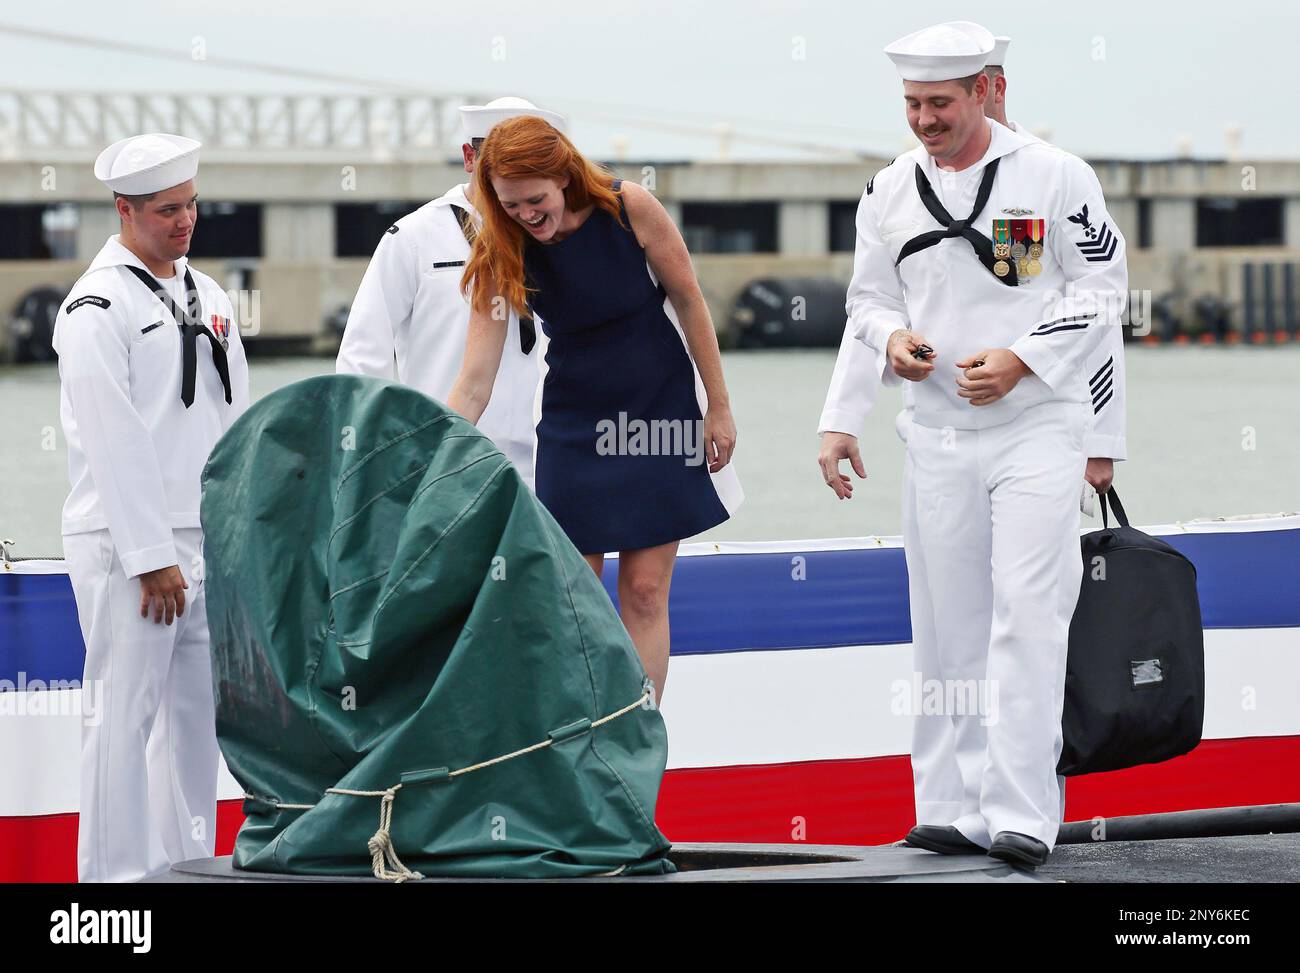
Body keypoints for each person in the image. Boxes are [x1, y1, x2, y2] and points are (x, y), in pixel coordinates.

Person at [818, 21, 1128, 867]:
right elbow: (867, 304)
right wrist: (866, 382)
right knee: (947, 626)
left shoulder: (1056, 177)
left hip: (1038, 428)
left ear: (984, 91)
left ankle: (1024, 810)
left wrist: (1026, 361)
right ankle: (951, 804)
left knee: (1028, 616)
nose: (924, 119)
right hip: (938, 436)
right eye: (913, 104)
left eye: (940, 103)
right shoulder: (885, 192)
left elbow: (1104, 290)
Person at [447, 116, 743, 701]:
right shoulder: (498, 245)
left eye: (535, 199)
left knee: (644, 592)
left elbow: (689, 299)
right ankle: (584, 731)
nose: (526, 214)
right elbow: (475, 381)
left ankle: (640, 735)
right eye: (509, 204)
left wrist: (720, 406)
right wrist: (432, 448)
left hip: (658, 412)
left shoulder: (629, 207)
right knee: (572, 596)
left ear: (564, 176)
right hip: (574, 424)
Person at [53, 133, 250, 882]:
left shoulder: (213, 295)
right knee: (121, 719)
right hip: (131, 544)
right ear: (124, 210)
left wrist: (242, 529)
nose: (185, 220)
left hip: (205, 535)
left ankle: (186, 864)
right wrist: (150, 557)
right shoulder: (96, 307)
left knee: (196, 721)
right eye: (167, 209)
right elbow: (115, 439)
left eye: (191, 204)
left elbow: (233, 421)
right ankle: (115, 883)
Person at [336, 97, 563, 488]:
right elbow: (363, 359)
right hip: (445, 466)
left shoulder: (560, 236)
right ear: (469, 157)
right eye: (499, 164)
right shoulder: (413, 239)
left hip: (551, 468)